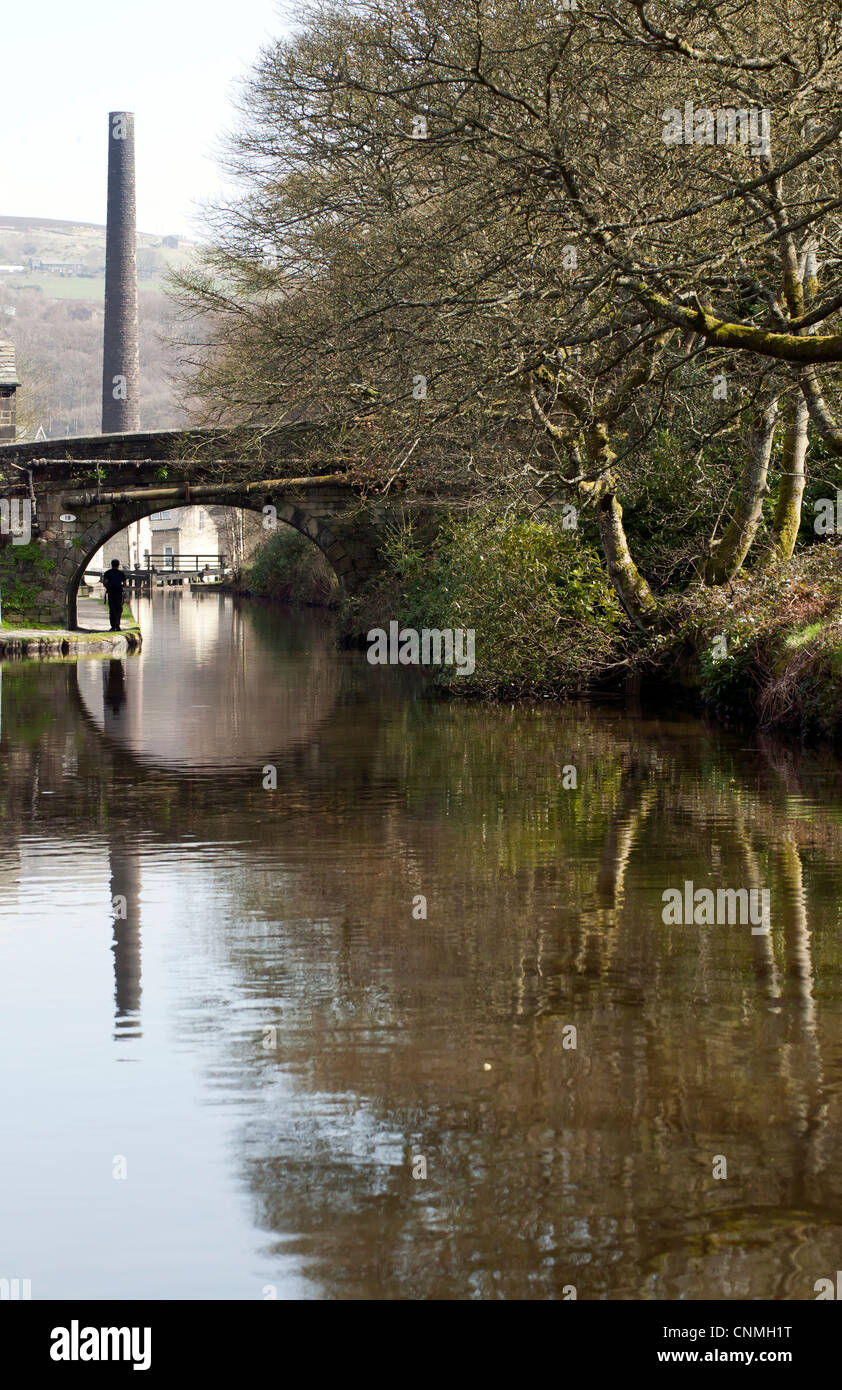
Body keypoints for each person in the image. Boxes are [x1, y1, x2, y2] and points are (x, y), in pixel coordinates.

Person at [102, 558, 127, 631]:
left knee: (112, 609)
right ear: (118, 565)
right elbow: (125, 584)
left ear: (111, 565)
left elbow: (104, 582)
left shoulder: (107, 573)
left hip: (111, 592)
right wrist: (121, 587)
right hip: (119, 593)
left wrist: (108, 587)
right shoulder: (121, 573)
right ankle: (118, 625)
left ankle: (113, 626)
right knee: (118, 609)